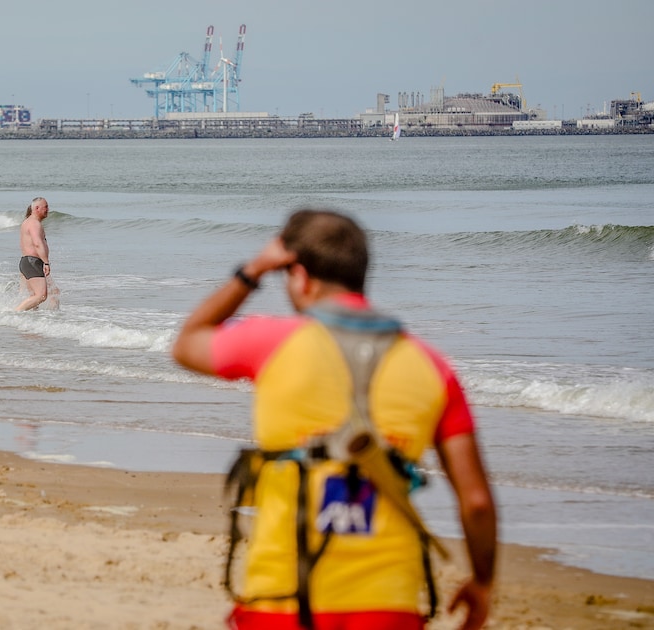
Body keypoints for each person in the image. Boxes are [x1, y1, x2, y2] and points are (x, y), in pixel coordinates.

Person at [171, 209, 496, 630]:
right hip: (389, 606)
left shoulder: (271, 342)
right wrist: (483, 581)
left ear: (300, 276)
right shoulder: (432, 366)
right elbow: (476, 501)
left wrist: (252, 271)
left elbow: (187, 342)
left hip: (282, 601)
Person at [15, 196, 53, 311]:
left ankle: (31, 323)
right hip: (32, 262)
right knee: (41, 295)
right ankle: (13, 314)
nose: (48, 209)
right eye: (45, 207)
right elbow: (37, 244)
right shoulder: (34, 224)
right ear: (37, 208)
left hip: (27, 262)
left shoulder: (27, 222)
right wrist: (46, 263)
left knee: (34, 298)